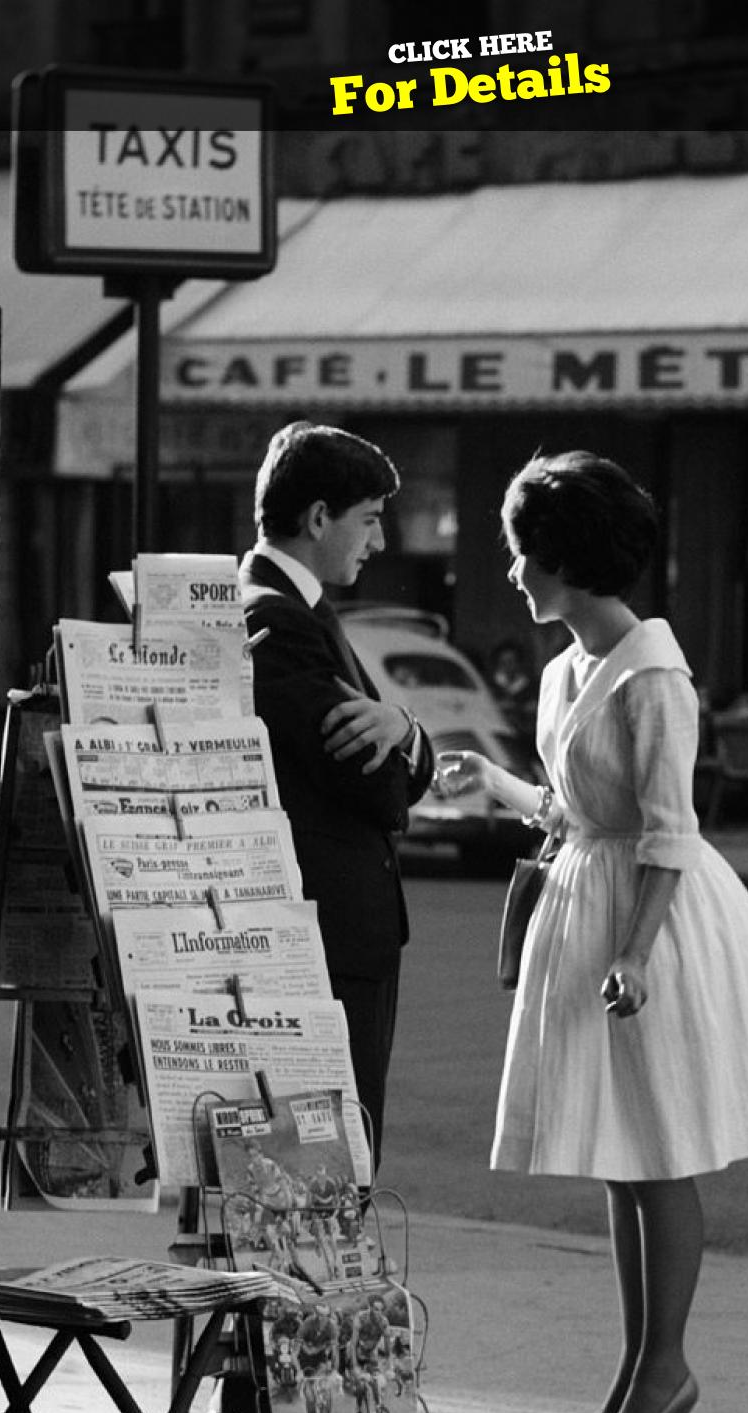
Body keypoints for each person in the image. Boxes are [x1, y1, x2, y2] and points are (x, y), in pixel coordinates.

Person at [436, 451, 748, 1413]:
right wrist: (492, 780)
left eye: (523, 552)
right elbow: (579, 811)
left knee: (656, 1152)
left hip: (646, 918)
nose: (512, 572)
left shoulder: (653, 676)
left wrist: (637, 953)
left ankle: (663, 1370)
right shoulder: (569, 666)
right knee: (622, 1160)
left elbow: (666, 829)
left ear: (567, 559)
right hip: (592, 894)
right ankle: (638, 1374)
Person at [239, 423, 435, 1172]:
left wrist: (406, 729)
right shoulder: (276, 617)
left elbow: (396, 758)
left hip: (340, 932)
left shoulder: (297, 608)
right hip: (323, 936)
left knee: (333, 1154)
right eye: (370, 518)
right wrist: (404, 742)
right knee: (329, 1161)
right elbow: (376, 783)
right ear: (319, 518)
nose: (379, 542)